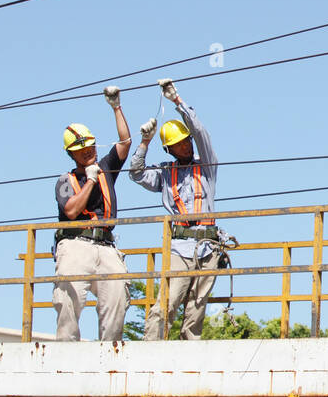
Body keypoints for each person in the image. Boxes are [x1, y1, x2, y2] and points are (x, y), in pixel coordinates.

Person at [129, 79, 224, 340]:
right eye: (179, 144)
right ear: (169, 149)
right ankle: (150, 350)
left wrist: (178, 102)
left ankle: (187, 355)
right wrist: (144, 142)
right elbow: (136, 174)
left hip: (207, 247)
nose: (186, 145)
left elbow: (201, 132)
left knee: (196, 310)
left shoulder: (206, 166)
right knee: (167, 304)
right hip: (180, 249)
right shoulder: (164, 173)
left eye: (186, 141)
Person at [53, 87, 131, 341]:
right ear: (71, 154)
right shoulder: (66, 180)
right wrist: (89, 181)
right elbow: (72, 211)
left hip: (106, 245)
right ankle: (66, 352)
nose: (89, 150)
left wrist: (116, 107)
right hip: (76, 244)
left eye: (90, 145)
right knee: (68, 299)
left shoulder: (106, 167)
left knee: (117, 297)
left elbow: (125, 143)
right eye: (82, 148)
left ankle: (109, 354)